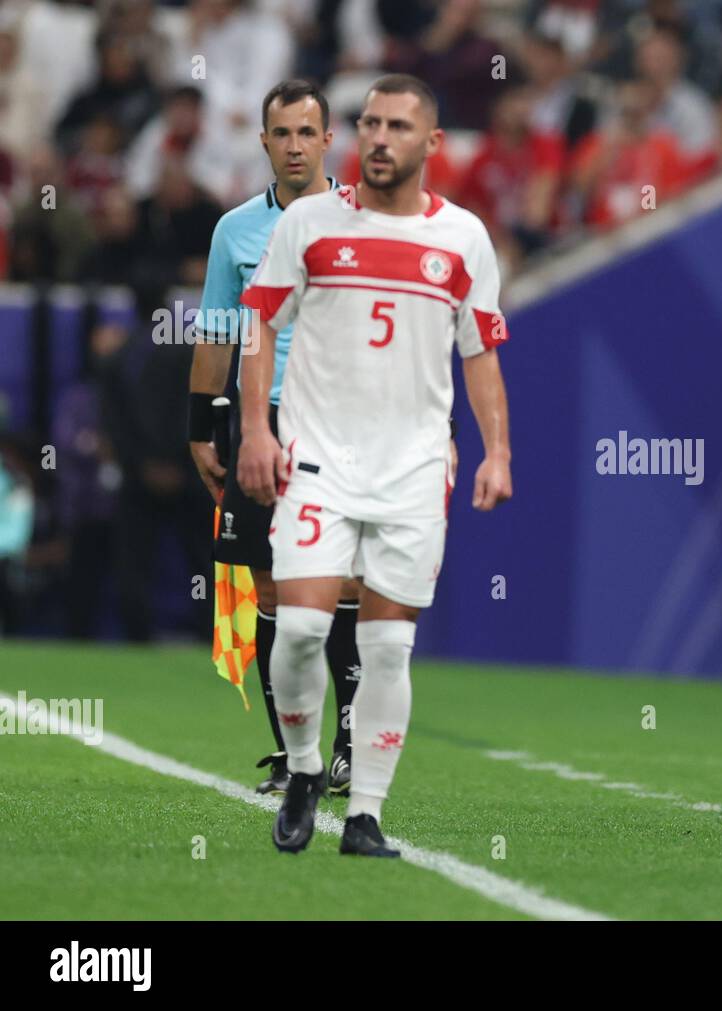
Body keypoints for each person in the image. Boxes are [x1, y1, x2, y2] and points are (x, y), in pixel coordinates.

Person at [237, 74, 513, 858]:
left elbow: (481, 351)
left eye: (397, 125)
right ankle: (300, 768)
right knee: (297, 630)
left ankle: (365, 814)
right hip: (319, 459)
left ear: (432, 144)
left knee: (388, 647)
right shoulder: (310, 224)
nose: (379, 137)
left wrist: (498, 450)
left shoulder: (463, 238)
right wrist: (255, 429)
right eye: (369, 123)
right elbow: (257, 324)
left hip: (415, 469)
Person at [190, 79, 367, 796]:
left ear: (329, 141)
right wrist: (203, 427)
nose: (294, 146)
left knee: (345, 583)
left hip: (344, 421)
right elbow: (216, 333)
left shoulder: (364, 219)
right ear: (263, 142)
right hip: (260, 424)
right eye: (281, 133)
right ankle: (296, 757)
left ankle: (352, 743)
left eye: (306, 132)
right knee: (267, 586)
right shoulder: (235, 230)